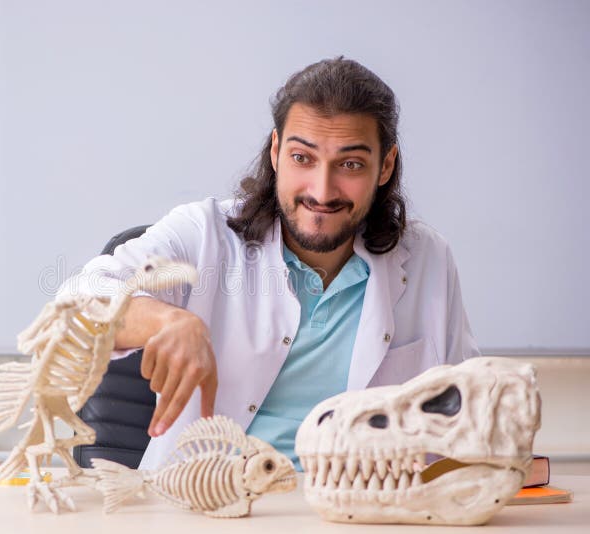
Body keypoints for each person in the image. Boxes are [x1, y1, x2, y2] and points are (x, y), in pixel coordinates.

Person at [59, 57, 480, 470]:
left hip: (363, 512)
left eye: (350, 164)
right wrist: (165, 322)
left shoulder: (428, 258)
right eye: (303, 158)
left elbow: (470, 413)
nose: (322, 189)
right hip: (212, 505)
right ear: (276, 151)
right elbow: (74, 304)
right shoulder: (204, 234)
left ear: (385, 165)